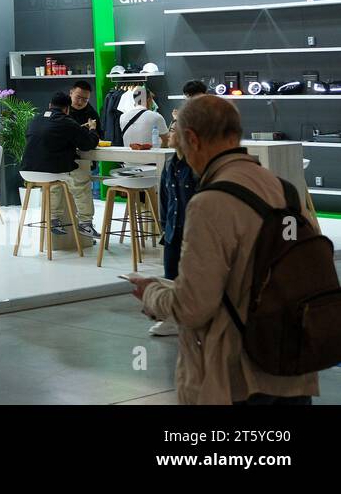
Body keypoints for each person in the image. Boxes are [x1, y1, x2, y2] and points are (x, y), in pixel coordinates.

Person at [131, 95, 320, 404]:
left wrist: (152, 293)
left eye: (179, 142)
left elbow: (194, 307)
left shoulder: (209, 203)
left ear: (192, 139)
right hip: (290, 362)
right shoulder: (281, 188)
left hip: (239, 373)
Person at [151, 80, 209, 336]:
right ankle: (172, 317)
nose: (168, 134)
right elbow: (165, 198)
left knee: (197, 276)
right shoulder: (171, 164)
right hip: (174, 228)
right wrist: (165, 228)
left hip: (195, 232)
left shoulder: (198, 166)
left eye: (173, 130)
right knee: (170, 273)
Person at [19, 91, 100, 238]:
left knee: (55, 181)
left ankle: (53, 219)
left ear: (50, 105)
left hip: (27, 171)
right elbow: (87, 144)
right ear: (67, 109)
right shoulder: (67, 121)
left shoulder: (35, 120)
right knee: (81, 181)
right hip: (51, 171)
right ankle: (85, 223)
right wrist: (93, 129)